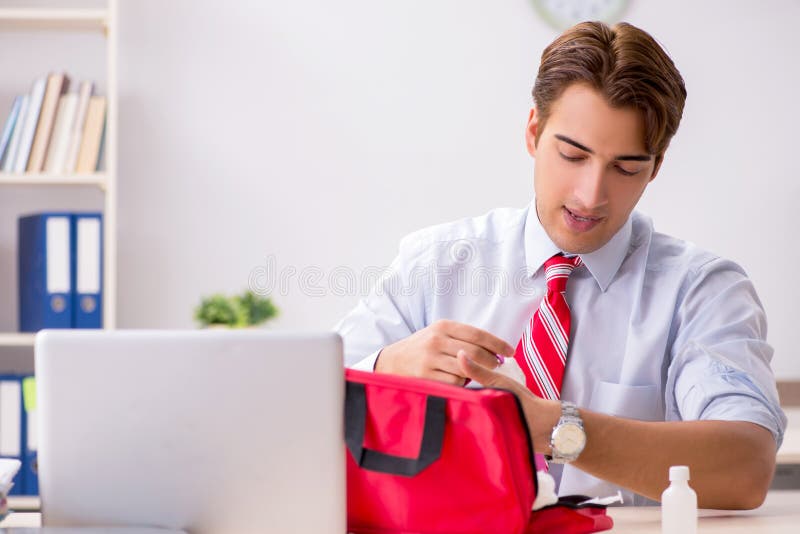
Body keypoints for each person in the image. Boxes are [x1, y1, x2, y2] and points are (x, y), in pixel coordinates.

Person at [335, 21, 786, 509]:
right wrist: (385, 368)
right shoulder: (435, 265)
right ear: (533, 132)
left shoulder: (701, 291)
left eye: (626, 168)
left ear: (656, 167)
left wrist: (554, 428)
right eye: (573, 155)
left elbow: (746, 466)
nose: (590, 196)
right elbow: (302, 404)